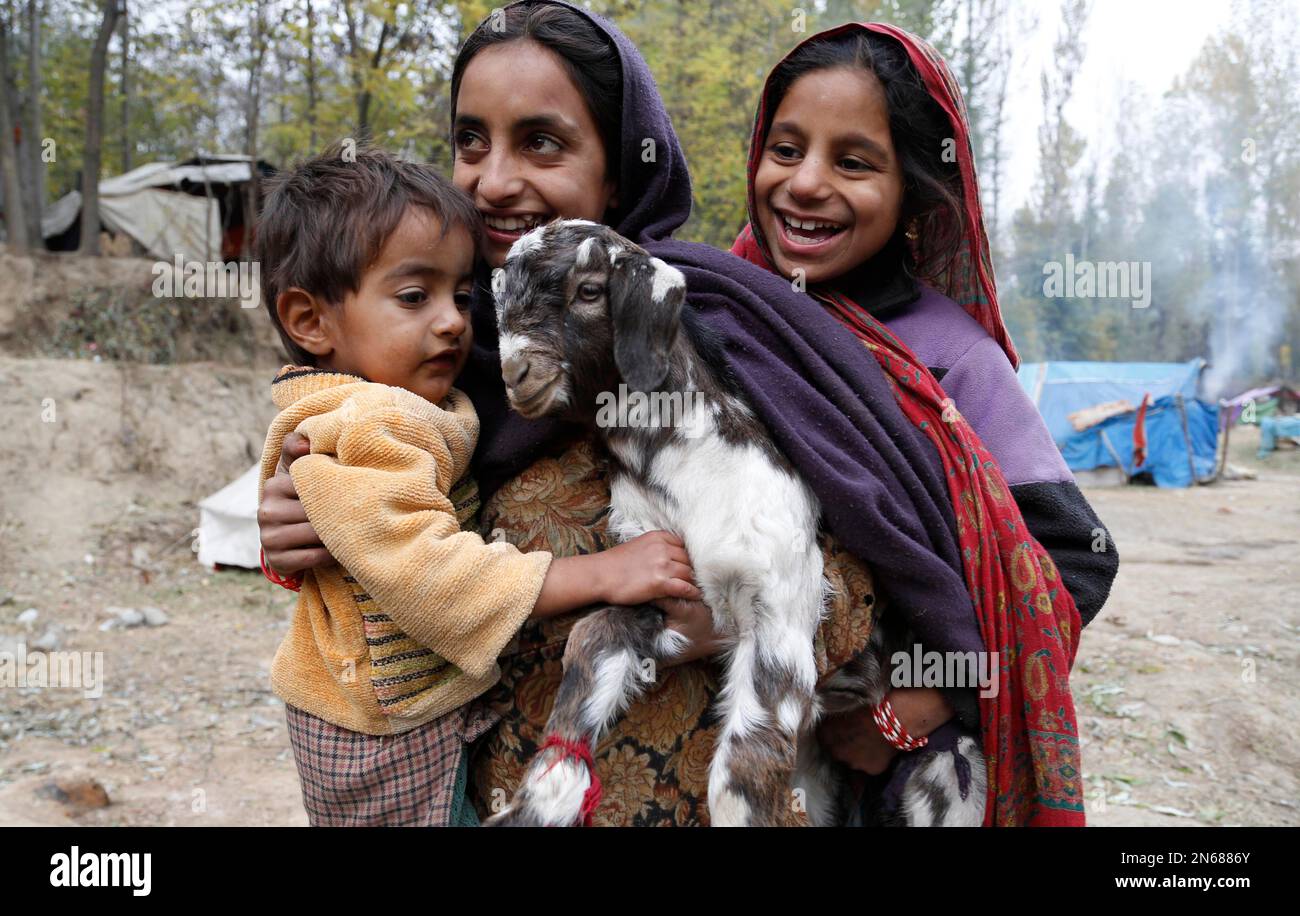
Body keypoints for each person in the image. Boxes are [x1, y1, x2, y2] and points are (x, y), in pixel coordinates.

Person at [260, 1, 1098, 825]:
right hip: (496, 787)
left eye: (541, 141)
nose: (494, 179)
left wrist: (842, 664)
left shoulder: (726, 325)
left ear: (623, 164)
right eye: (470, 140)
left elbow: (915, 562)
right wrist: (305, 514)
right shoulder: (444, 342)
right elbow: (380, 496)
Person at [730, 22, 1119, 819]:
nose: (804, 184)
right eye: (786, 148)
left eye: (853, 162)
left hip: (887, 780)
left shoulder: (952, 362)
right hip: (729, 748)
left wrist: (922, 705)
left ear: (913, 190)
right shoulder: (717, 311)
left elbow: (1072, 561)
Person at [253, 145, 700, 825]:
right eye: (415, 297)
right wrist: (604, 574)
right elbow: (434, 579)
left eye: (463, 296)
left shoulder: (390, 387)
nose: (456, 322)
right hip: (387, 738)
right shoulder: (375, 416)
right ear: (310, 322)